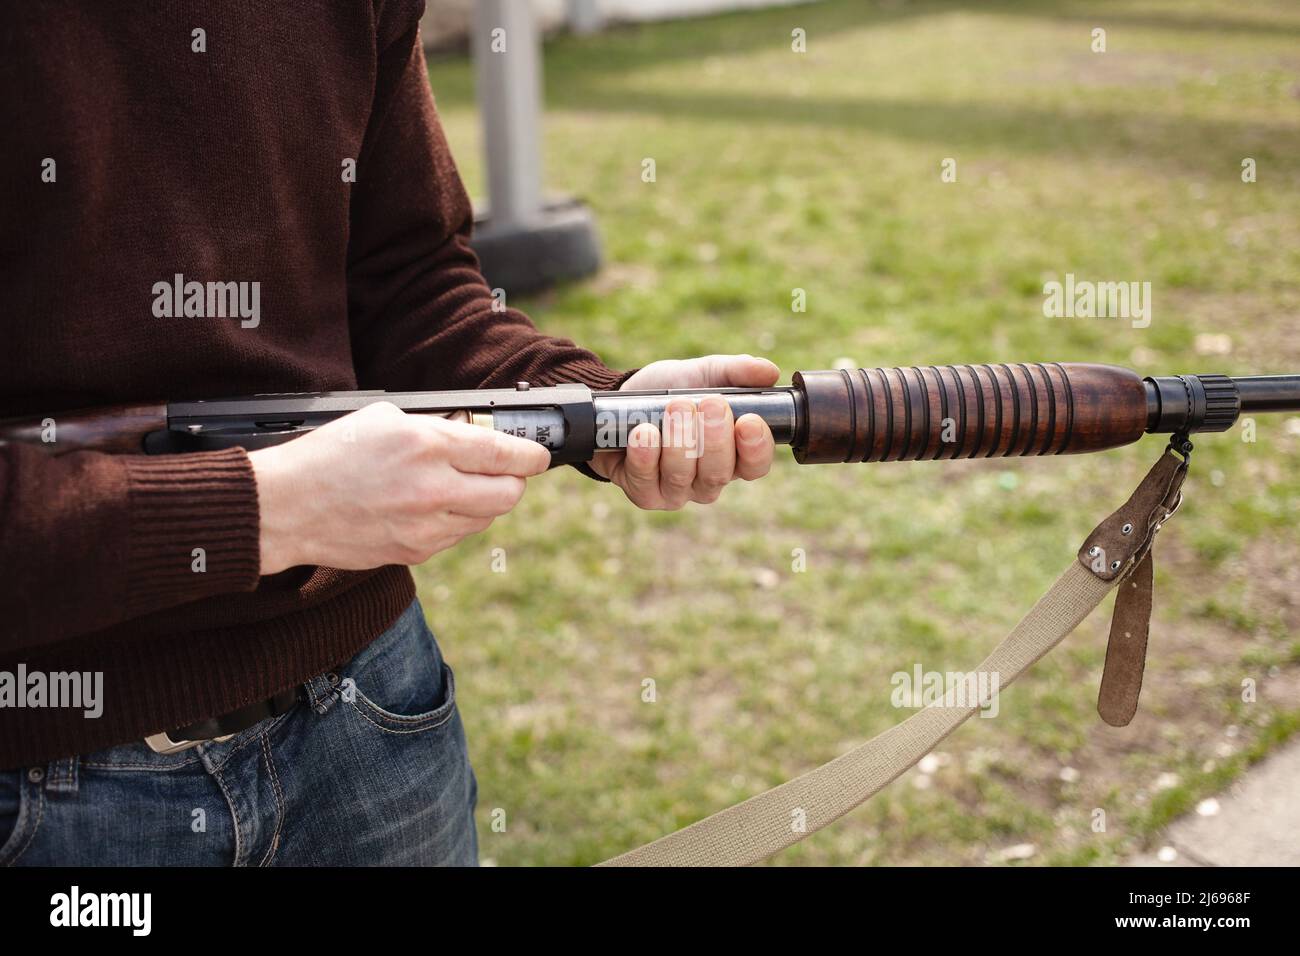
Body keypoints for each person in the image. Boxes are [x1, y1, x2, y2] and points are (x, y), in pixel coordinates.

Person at [0, 2, 776, 866]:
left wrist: (602, 406)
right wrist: (268, 510)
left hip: (374, 719)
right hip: (42, 787)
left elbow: (408, 276)